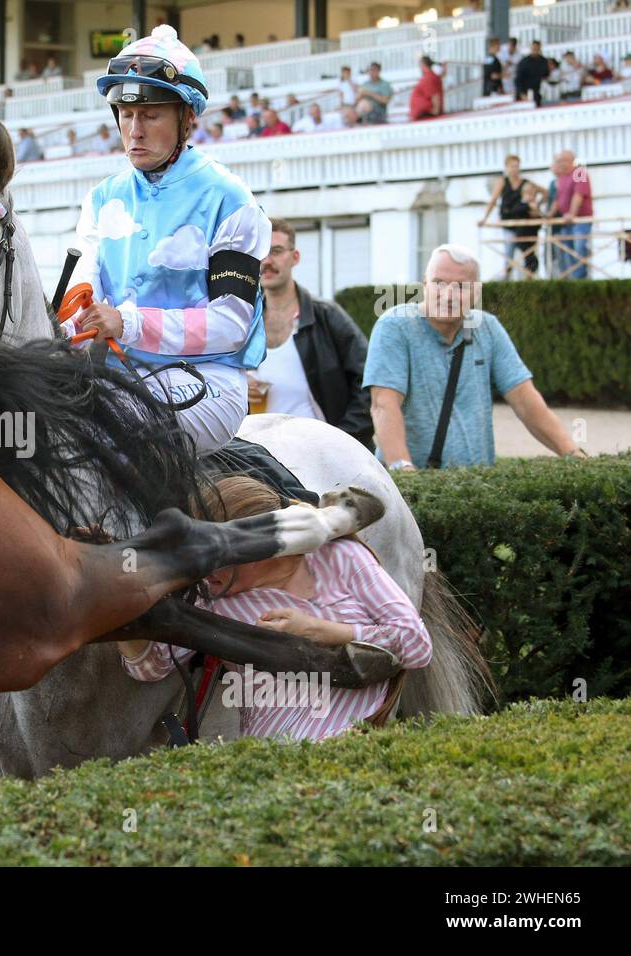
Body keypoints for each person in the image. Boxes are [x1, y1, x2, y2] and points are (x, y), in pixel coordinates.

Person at [65, 24, 270, 450]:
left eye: (150, 115)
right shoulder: (102, 197)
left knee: (102, 431)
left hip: (208, 380)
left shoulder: (231, 200)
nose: (134, 130)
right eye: (126, 115)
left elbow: (231, 325)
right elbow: (82, 293)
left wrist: (127, 323)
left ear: (187, 118)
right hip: (121, 377)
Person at [119, 475, 432, 739]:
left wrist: (317, 630)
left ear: (263, 548)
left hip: (357, 749)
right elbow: (150, 667)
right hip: (274, 763)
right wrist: (117, 610)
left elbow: (416, 644)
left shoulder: (341, 556)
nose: (203, 571)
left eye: (216, 558)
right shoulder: (211, 601)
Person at [363, 245, 586, 471]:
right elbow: (384, 405)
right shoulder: (395, 326)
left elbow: (526, 402)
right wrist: (404, 471)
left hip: (476, 484)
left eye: (460, 286)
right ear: (424, 284)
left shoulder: (486, 327)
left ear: (476, 292)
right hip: (415, 482)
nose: (448, 295)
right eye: (439, 282)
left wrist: (575, 456)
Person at [249, 219, 373, 448]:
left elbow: (368, 379)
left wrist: (344, 440)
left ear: (295, 257)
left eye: (276, 251)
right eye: (260, 253)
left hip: (319, 454)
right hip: (261, 455)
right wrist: (239, 385)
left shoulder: (326, 316)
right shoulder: (245, 320)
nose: (266, 261)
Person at [483, 155, 543, 278]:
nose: (515, 169)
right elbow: (493, 199)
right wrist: (485, 218)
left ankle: (529, 278)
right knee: (509, 253)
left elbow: (543, 192)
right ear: (506, 167)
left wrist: (536, 205)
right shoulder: (503, 182)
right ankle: (507, 278)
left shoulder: (526, 183)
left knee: (529, 255)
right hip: (509, 224)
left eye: (517, 166)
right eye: (512, 166)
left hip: (524, 226)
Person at [548, 149, 593, 279]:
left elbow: (578, 195)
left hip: (580, 221)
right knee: (567, 250)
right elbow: (558, 199)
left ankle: (580, 279)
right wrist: (549, 215)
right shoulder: (562, 177)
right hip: (567, 222)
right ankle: (573, 279)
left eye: (563, 160)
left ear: (572, 160)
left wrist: (571, 214)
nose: (560, 164)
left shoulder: (579, 172)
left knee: (579, 247)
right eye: (559, 161)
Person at [514, 40, 549, 108]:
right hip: (524, 92)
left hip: (537, 92)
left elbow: (546, 74)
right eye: (534, 48)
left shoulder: (543, 61)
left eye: (537, 48)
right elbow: (518, 79)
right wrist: (521, 93)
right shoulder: (524, 62)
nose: (535, 50)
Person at [409, 56, 444, 121]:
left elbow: (434, 95)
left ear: (423, 65)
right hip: (422, 115)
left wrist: (435, 112)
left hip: (426, 115)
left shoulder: (429, 78)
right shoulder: (431, 76)